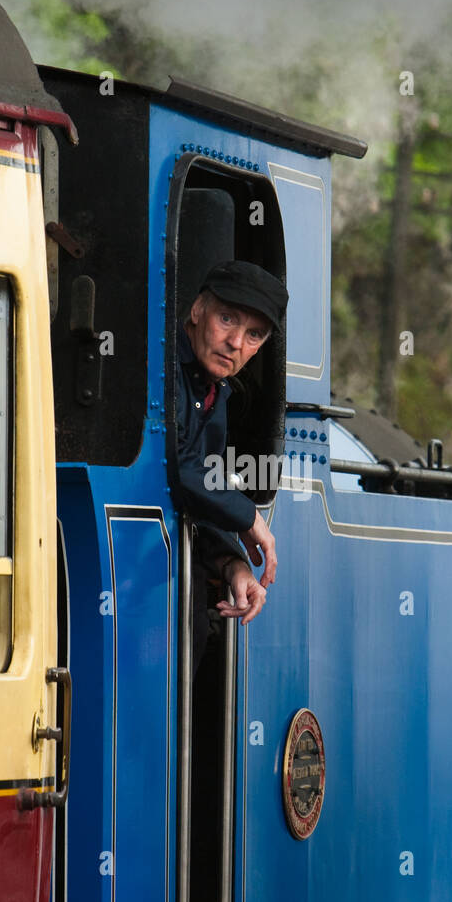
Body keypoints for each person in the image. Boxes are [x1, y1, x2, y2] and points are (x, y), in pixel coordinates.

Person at [176, 260, 287, 665]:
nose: (236, 342)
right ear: (197, 310)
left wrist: (234, 566)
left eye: (254, 334)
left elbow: (197, 499)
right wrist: (249, 517)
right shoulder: (161, 370)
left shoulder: (217, 392)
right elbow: (172, 466)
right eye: (227, 319)